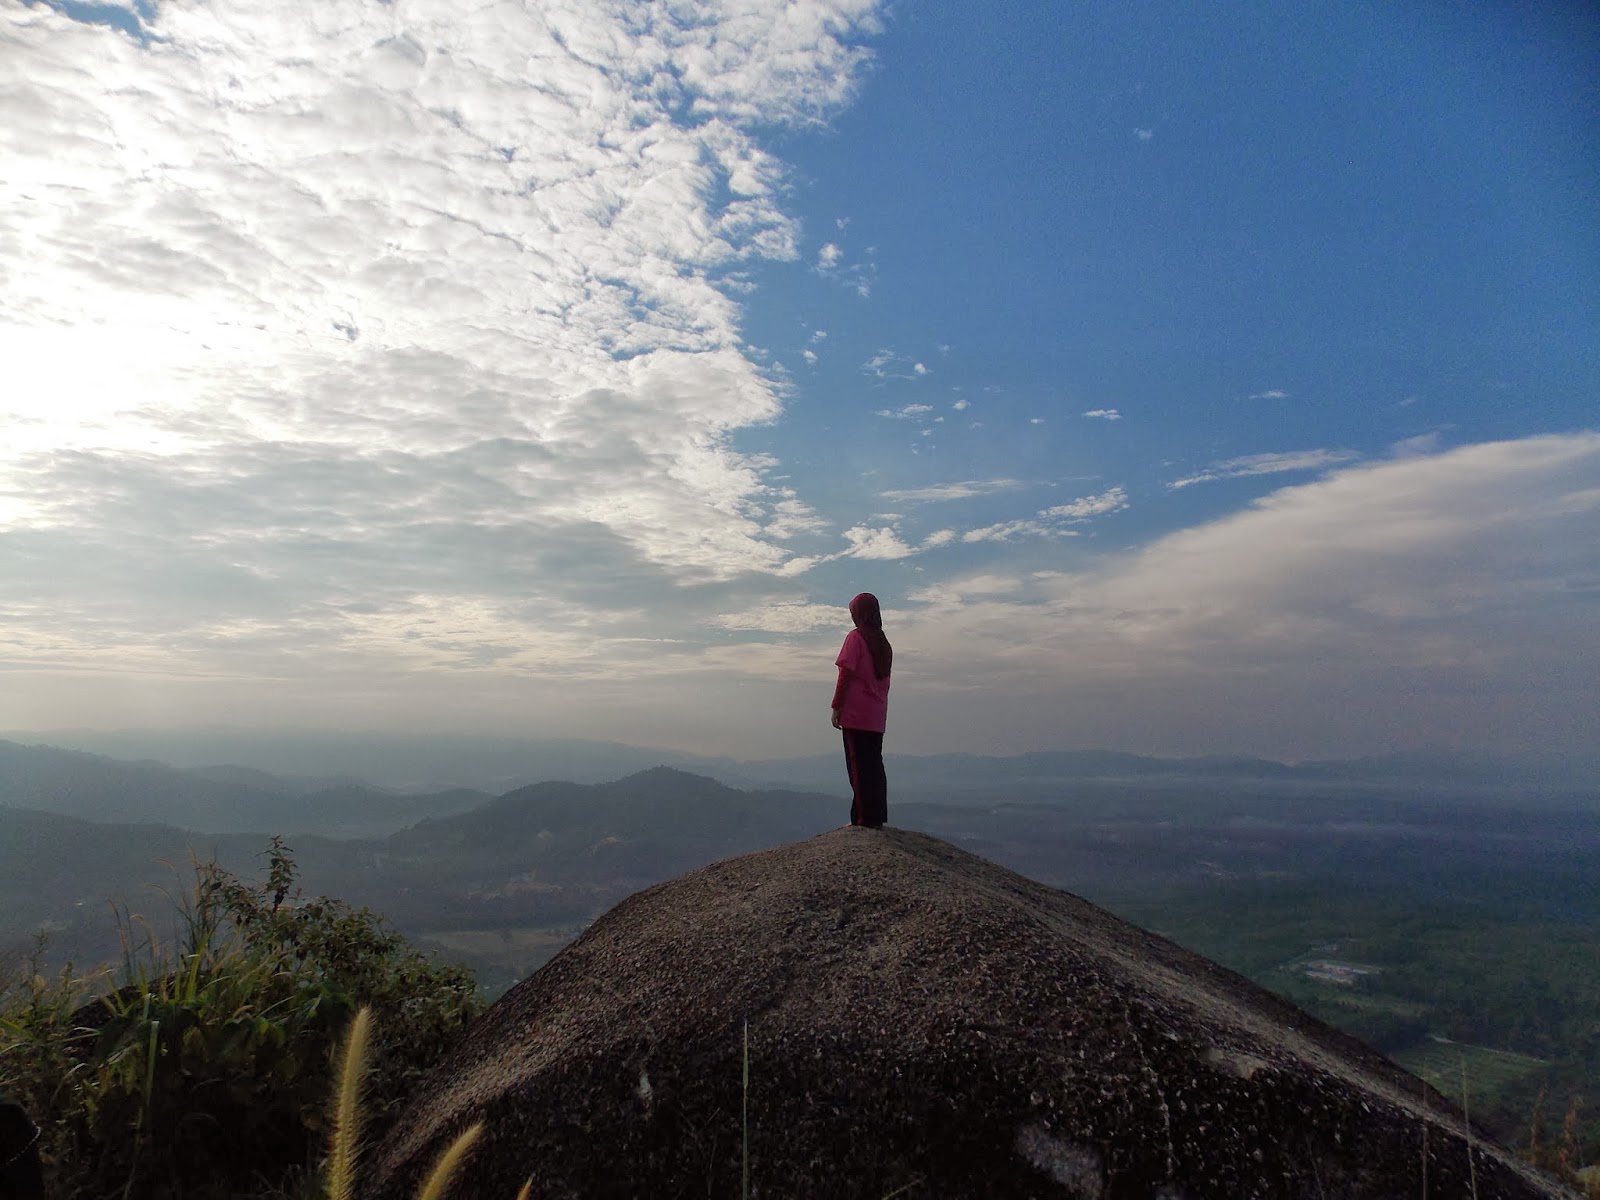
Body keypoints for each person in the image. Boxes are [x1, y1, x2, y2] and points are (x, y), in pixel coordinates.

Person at [830, 592, 891, 828]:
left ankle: (863, 820)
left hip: (856, 715)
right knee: (874, 766)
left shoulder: (855, 638)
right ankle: (876, 816)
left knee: (857, 767)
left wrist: (837, 707)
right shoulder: (883, 642)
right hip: (876, 717)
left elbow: (845, 675)